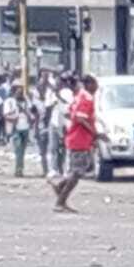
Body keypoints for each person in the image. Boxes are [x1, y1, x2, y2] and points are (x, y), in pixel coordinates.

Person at [50, 74, 98, 213]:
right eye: (95, 84)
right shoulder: (86, 98)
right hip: (79, 139)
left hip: (77, 138)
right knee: (76, 173)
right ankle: (60, 200)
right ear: (89, 84)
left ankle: (60, 188)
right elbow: (80, 118)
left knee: (77, 170)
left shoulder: (78, 97)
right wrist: (95, 133)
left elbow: (70, 114)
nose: (97, 87)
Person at [4, 86, 36, 177]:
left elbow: (31, 112)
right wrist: (14, 118)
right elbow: (5, 115)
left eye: (21, 93)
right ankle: (18, 170)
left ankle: (20, 168)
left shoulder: (26, 101)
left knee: (22, 150)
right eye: (18, 93)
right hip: (15, 128)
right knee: (18, 149)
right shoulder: (9, 102)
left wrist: (30, 118)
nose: (20, 94)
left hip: (25, 127)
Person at [48, 73, 76, 177]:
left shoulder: (67, 92)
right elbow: (48, 105)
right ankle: (54, 169)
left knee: (67, 148)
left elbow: (68, 105)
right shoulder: (51, 93)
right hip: (54, 121)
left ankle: (67, 170)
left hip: (66, 122)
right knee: (53, 147)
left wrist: (58, 97)